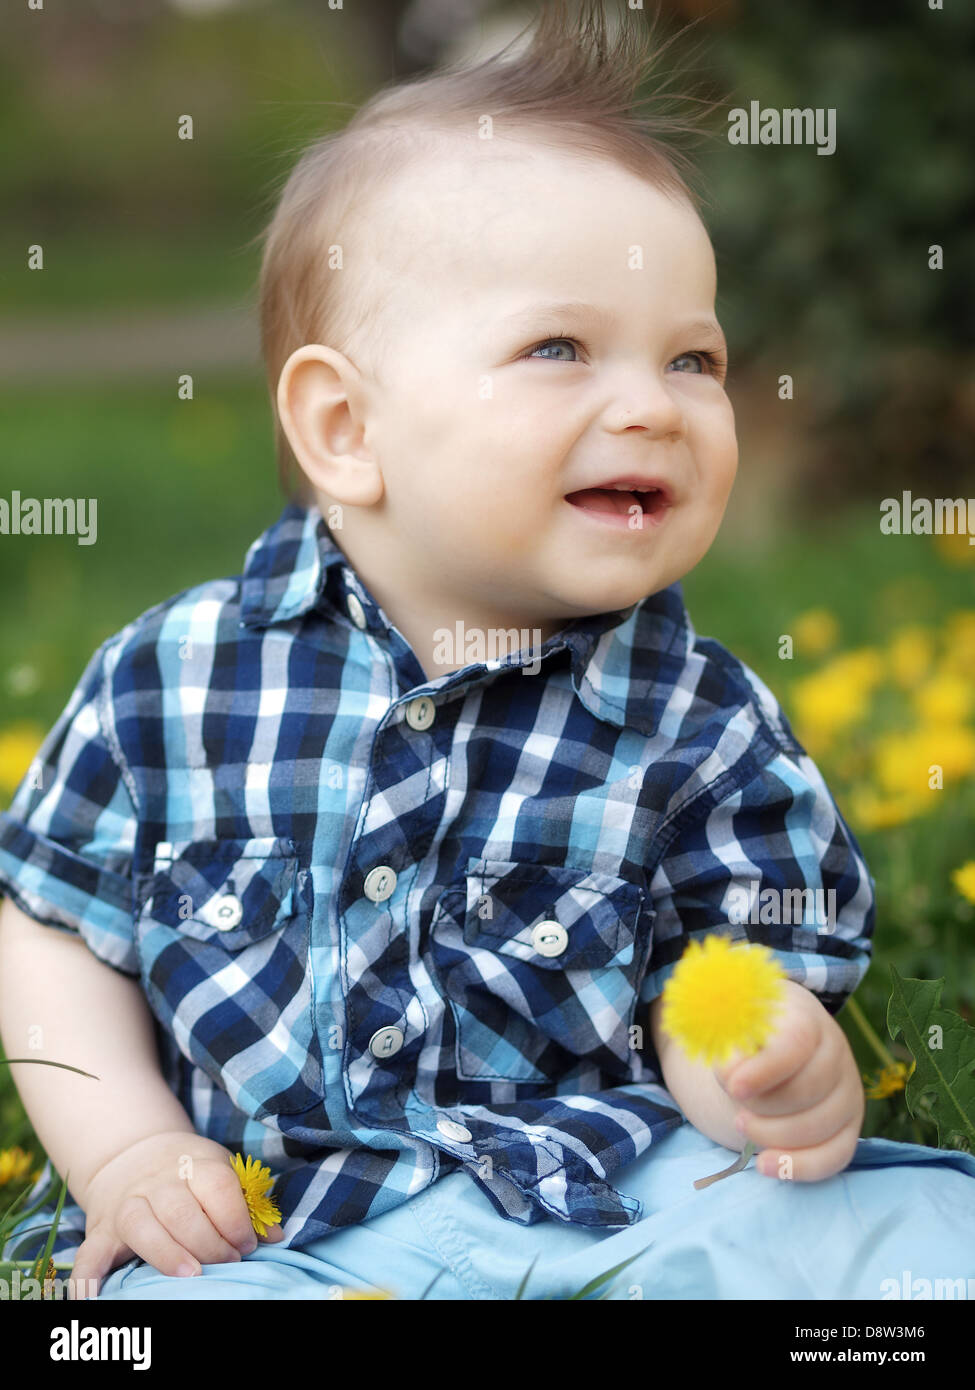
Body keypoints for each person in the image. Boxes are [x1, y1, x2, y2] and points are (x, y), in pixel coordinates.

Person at [1, 0, 973, 1302]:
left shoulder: (700, 718)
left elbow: (738, 963)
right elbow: (53, 930)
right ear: (346, 426)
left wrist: (764, 1066)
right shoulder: (169, 686)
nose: (651, 404)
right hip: (275, 1229)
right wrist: (127, 1146)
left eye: (695, 357)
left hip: (614, 1202)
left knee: (913, 1246)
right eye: (560, 347)